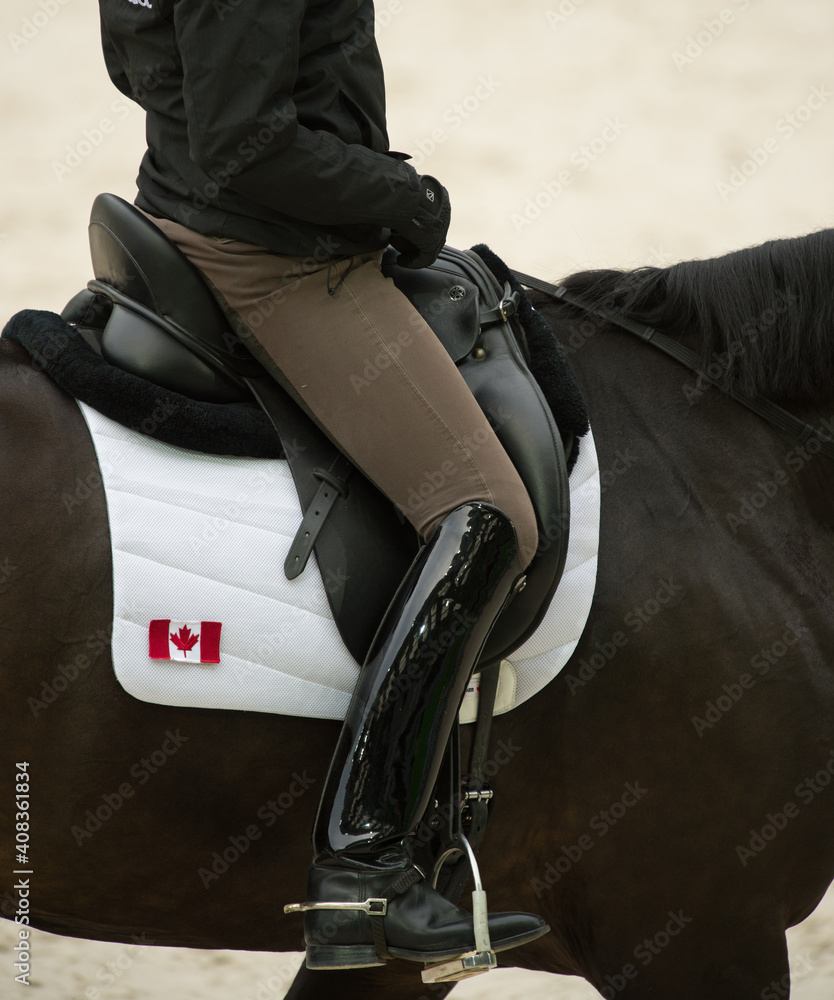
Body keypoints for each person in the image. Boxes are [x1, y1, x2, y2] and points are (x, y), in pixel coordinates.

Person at [98, 0, 548, 971]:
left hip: (185, 209)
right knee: (486, 513)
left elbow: (139, 66)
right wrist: (402, 197)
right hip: (272, 257)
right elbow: (246, 147)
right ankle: (365, 863)